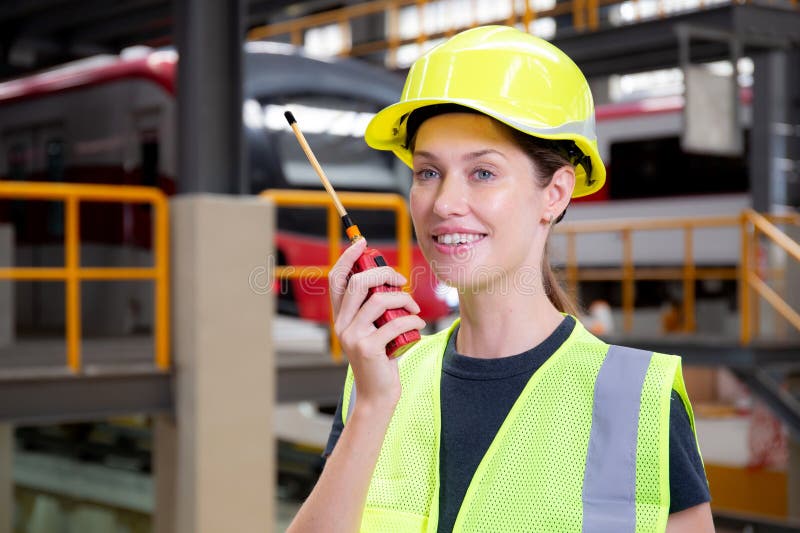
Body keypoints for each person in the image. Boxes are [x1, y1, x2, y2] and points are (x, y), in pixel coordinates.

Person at [287, 25, 713, 533]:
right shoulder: (378, 380)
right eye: (427, 172)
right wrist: (375, 407)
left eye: (483, 172)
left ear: (555, 193)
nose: (443, 203)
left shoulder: (635, 399)